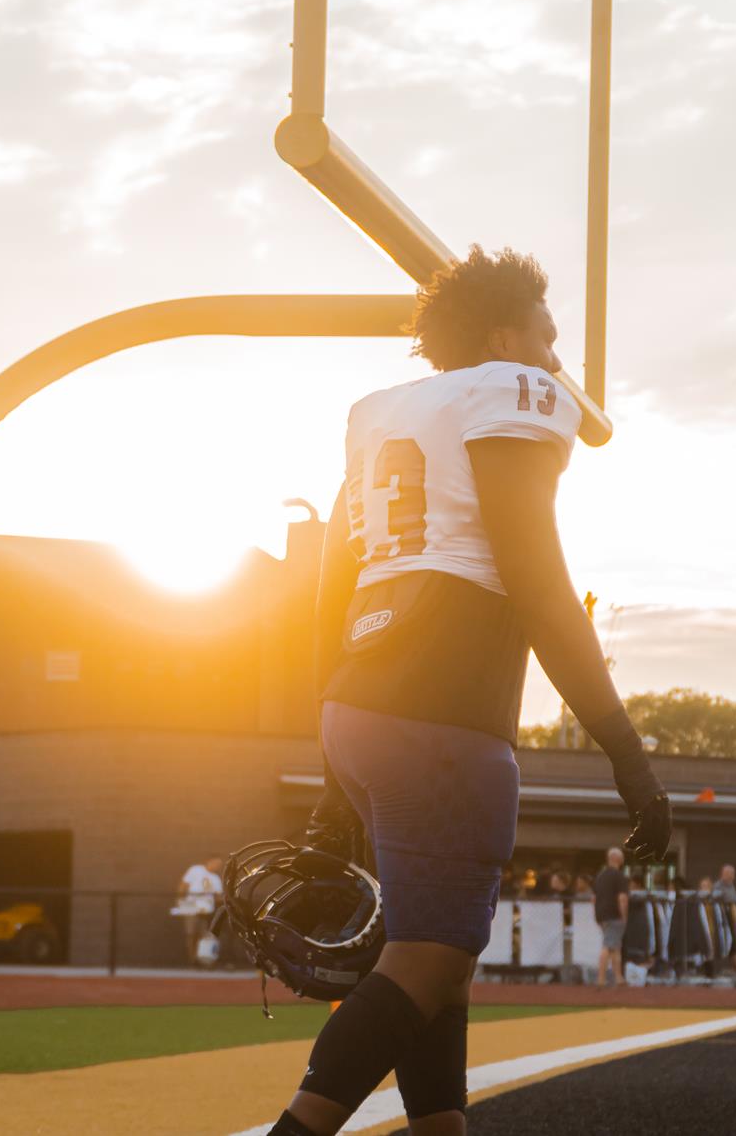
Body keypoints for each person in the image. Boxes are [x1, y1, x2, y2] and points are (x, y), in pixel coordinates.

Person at [266, 248, 671, 1136]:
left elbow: (330, 591)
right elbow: (538, 583)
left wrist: (332, 741)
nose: (557, 356)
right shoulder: (510, 396)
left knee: (440, 965)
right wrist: (628, 755)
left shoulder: (379, 415)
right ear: (501, 335)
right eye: (545, 332)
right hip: (443, 708)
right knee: (430, 953)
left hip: (359, 699)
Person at [594, 847, 630, 988]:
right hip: (614, 914)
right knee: (608, 946)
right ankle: (601, 979)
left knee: (615, 946)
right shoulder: (620, 876)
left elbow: (594, 898)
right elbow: (622, 898)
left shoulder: (600, 876)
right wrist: (624, 915)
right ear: (618, 859)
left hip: (602, 915)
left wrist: (596, 915)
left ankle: (618, 977)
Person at [174, 856, 221, 966]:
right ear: (210, 861)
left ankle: (202, 959)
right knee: (190, 934)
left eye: (220, 865)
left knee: (203, 935)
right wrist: (179, 900)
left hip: (205, 910)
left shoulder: (216, 878)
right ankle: (192, 960)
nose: (218, 866)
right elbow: (183, 885)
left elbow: (218, 896)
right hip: (190, 906)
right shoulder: (195, 869)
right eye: (217, 863)